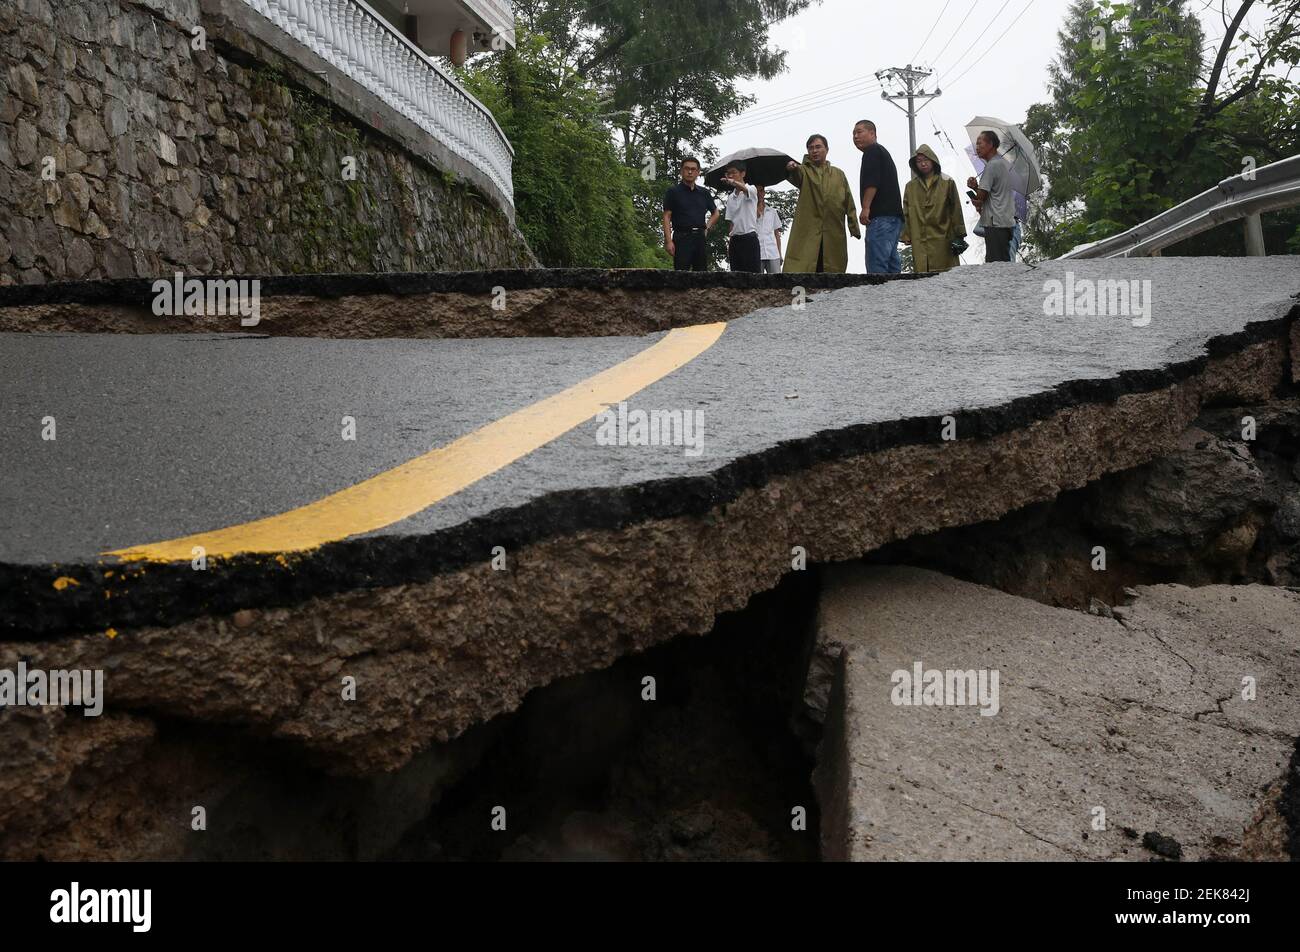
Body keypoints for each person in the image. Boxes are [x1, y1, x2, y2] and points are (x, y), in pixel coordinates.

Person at [782, 135, 861, 273]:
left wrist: (854, 226)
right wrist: (792, 169)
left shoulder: (838, 174)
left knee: (832, 268)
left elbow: (849, 201)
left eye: (818, 147)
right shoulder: (804, 171)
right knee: (807, 266)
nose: (814, 151)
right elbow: (796, 177)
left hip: (833, 229)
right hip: (809, 229)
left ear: (827, 149)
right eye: (811, 148)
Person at [900, 144, 966, 273]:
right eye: (919, 161)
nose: (923, 164)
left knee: (946, 276)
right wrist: (906, 233)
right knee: (923, 277)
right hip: (919, 239)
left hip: (943, 238)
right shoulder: (910, 186)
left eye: (926, 160)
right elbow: (906, 211)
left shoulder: (947, 182)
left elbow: (956, 209)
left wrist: (960, 233)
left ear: (933, 160)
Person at [852, 120, 904, 274]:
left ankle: (878, 297)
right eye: (853, 133)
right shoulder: (882, 152)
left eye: (859, 132)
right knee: (891, 263)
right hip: (894, 218)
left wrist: (866, 207)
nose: (855, 136)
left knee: (877, 264)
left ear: (872, 133)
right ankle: (895, 296)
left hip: (881, 217)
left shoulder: (872, 151)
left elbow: (872, 182)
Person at [966, 131, 1016, 263]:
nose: (977, 147)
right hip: (1005, 221)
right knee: (1003, 260)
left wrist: (975, 191)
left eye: (979, 142)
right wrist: (976, 187)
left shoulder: (992, 165)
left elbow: (980, 197)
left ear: (990, 144)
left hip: (995, 223)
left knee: (995, 264)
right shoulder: (1003, 164)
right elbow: (992, 193)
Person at [663, 156, 720, 271]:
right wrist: (669, 241)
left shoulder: (704, 193)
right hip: (682, 236)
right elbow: (666, 216)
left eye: (693, 169)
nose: (690, 172)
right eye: (686, 168)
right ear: (681, 171)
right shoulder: (673, 192)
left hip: (700, 237)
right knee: (681, 274)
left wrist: (707, 228)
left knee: (702, 274)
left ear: (698, 172)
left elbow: (716, 213)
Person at [720, 160, 762, 273]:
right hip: (735, 240)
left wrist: (733, 182)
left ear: (743, 173)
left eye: (734, 172)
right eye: (728, 173)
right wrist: (730, 242)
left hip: (749, 238)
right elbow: (731, 222)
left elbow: (744, 188)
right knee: (736, 276)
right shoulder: (730, 197)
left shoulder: (751, 189)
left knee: (753, 276)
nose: (731, 176)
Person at [755, 186, 785, 273]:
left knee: (776, 283)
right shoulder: (749, 211)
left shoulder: (772, 211)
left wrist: (780, 254)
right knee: (756, 283)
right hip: (756, 253)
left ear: (764, 193)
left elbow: (777, 234)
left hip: (773, 253)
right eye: (756, 191)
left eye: (761, 191)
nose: (759, 194)